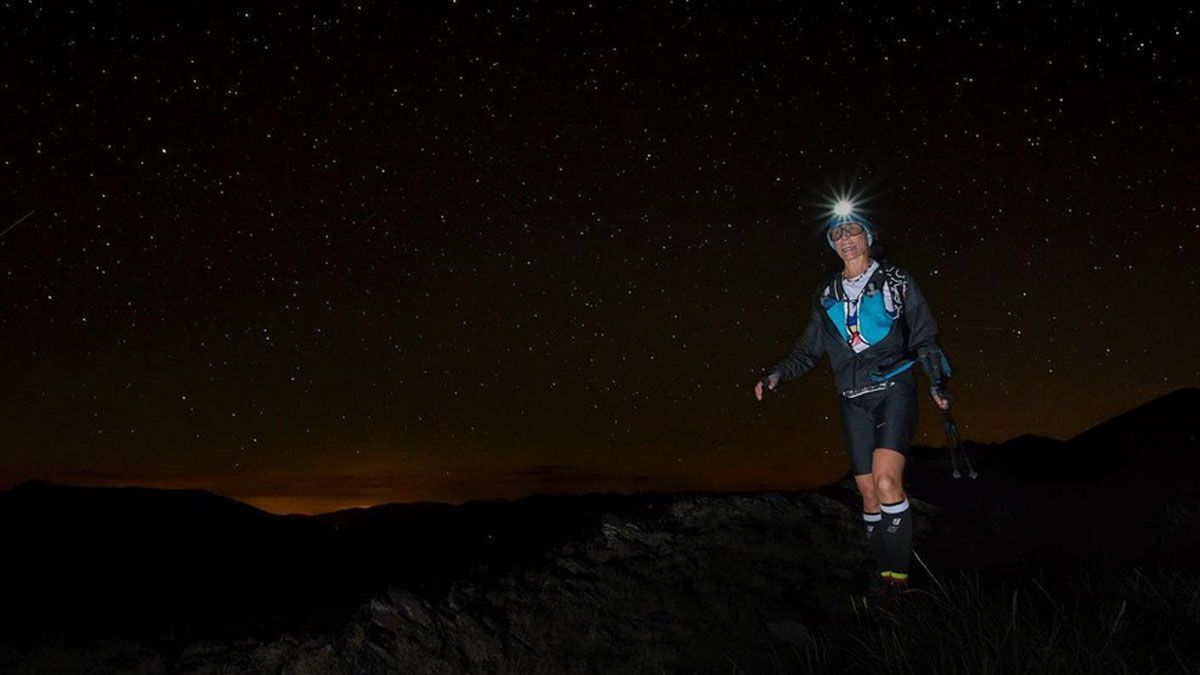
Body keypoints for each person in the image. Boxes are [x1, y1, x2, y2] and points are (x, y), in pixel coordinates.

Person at [754, 209, 952, 594]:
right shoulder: (826, 294)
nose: (846, 240)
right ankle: (885, 576)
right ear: (832, 243)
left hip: (892, 390)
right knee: (867, 495)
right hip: (851, 400)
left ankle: (901, 583)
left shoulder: (896, 280)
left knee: (885, 481)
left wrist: (938, 383)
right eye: (837, 235)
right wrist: (777, 373)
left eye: (853, 231)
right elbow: (808, 350)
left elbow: (925, 335)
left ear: (868, 236)